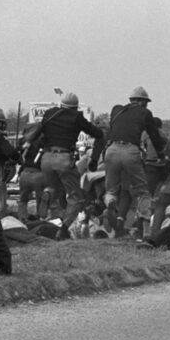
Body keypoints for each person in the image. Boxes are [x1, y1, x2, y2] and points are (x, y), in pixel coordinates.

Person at [31, 93, 105, 240]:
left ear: (61, 104)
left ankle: (47, 194)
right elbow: (97, 134)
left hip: (46, 158)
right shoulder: (76, 117)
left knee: (54, 188)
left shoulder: (49, 113)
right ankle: (64, 230)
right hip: (64, 158)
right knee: (75, 197)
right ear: (75, 107)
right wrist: (94, 158)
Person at [103, 86, 166, 239]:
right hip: (130, 151)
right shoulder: (145, 113)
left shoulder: (116, 109)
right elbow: (154, 136)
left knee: (111, 190)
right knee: (143, 192)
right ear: (144, 102)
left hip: (111, 150)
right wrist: (162, 155)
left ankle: (110, 204)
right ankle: (146, 232)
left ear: (130, 100)